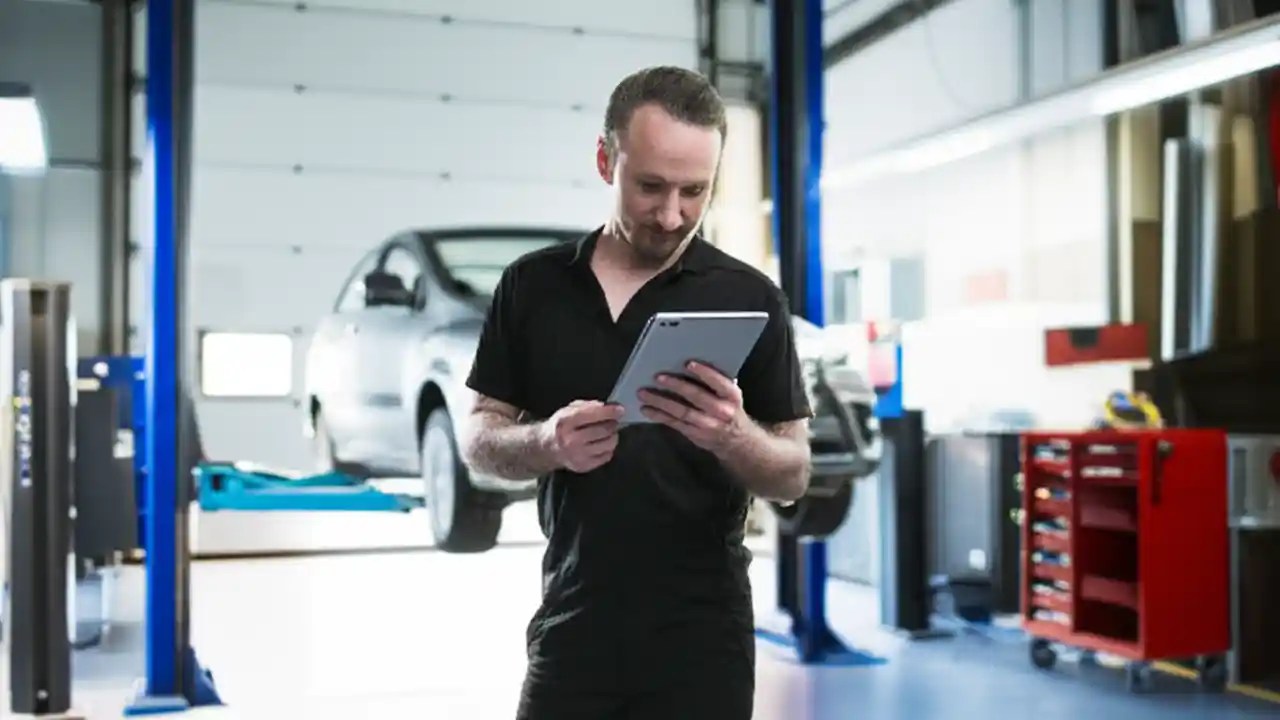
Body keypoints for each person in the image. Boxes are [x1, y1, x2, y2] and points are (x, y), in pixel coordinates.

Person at [460, 65, 813, 720]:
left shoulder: (748, 299)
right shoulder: (532, 288)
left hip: (704, 638)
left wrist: (733, 437)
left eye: (694, 191)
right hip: (573, 623)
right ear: (605, 159)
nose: (671, 214)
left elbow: (792, 474)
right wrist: (544, 442)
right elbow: (479, 441)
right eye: (650, 186)